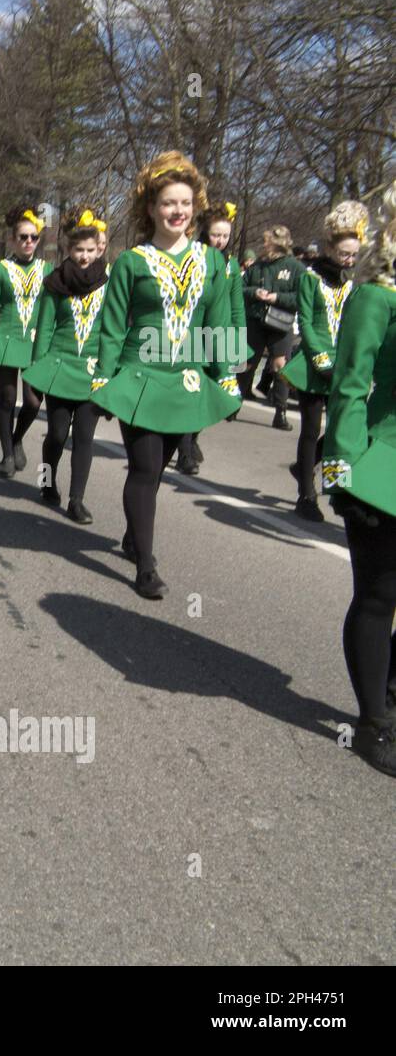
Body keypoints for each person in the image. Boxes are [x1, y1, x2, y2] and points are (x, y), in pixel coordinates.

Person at [91, 150, 241, 599]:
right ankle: (146, 566)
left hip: (187, 382)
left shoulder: (212, 263)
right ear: (151, 209)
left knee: (158, 472)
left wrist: (227, 375)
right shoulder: (131, 263)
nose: (178, 211)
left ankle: (134, 534)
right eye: (168, 203)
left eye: (185, 203)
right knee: (144, 467)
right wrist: (103, 379)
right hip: (139, 378)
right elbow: (113, 325)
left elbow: (219, 322)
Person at [321, 179, 396, 777]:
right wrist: (341, 476)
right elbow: (348, 389)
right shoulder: (375, 298)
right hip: (380, 467)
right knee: (378, 597)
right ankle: (372, 723)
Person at [23, 208, 109, 523]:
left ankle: (76, 500)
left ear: (99, 250)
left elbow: (115, 332)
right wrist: (34, 373)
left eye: (89, 250)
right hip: (59, 369)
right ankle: (46, 481)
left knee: (84, 437)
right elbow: (44, 329)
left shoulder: (110, 284)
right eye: (78, 250)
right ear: (68, 250)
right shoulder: (55, 283)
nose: (84, 256)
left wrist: (112, 375)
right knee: (57, 435)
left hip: (91, 375)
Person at [282, 200, 366, 522]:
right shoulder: (310, 277)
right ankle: (306, 494)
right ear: (329, 248)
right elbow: (305, 321)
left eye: (354, 254)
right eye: (344, 253)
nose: (348, 259)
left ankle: (334, 488)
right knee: (310, 429)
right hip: (314, 364)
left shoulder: (354, 282)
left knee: (339, 431)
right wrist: (321, 360)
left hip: (343, 363)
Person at [0, 205, 54, 476]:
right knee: (7, 399)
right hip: (7, 340)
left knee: (33, 402)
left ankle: (17, 437)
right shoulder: (1, 269)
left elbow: (53, 309)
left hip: (35, 344)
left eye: (33, 237)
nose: (29, 242)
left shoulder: (47, 269)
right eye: (23, 237)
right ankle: (7, 454)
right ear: (12, 240)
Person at [177, 200, 245, 474]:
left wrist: (239, 347)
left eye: (225, 235)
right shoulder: (194, 257)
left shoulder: (231, 265)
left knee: (206, 395)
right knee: (189, 392)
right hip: (191, 336)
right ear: (205, 232)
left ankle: (192, 437)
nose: (220, 240)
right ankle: (184, 452)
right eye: (216, 234)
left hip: (220, 336)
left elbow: (237, 305)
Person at [241, 225, 304, 429]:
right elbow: (241, 289)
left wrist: (278, 298)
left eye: (268, 241)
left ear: (279, 244)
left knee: (280, 365)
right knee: (246, 360)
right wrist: (254, 293)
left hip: (280, 323)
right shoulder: (257, 266)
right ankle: (233, 402)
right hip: (256, 320)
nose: (264, 244)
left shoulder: (295, 267)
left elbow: (302, 297)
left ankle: (280, 411)